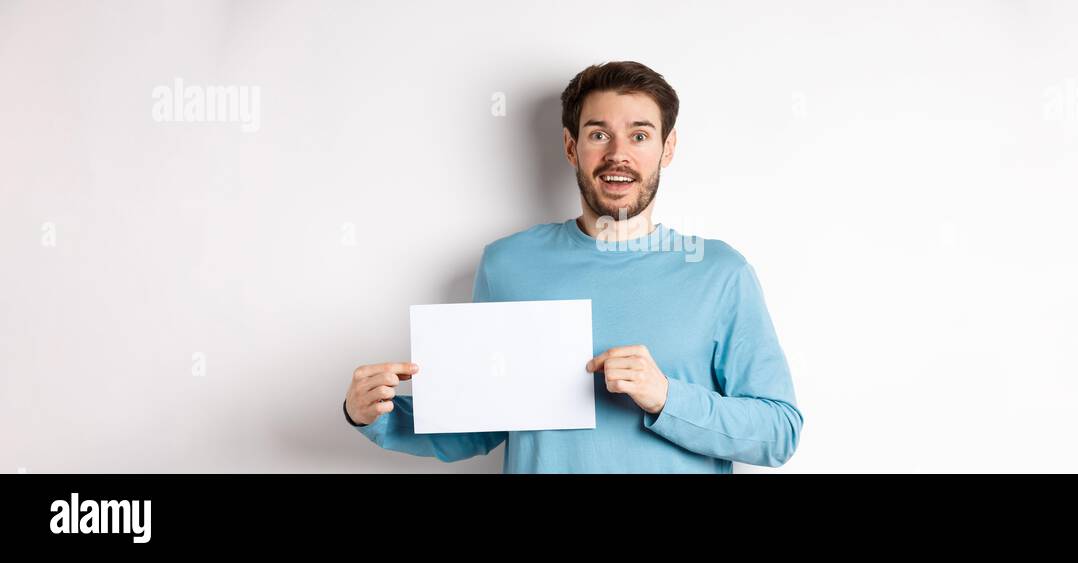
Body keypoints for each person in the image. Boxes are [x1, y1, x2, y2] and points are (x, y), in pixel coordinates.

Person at [343, 61, 803, 473]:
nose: (617, 154)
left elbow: (779, 433)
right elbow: (477, 426)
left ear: (667, 148)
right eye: (599, 134)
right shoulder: (508, 264)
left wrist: (667, 397)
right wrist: (374, 415)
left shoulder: (720, 272)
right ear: (570, 147)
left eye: (639, 135)